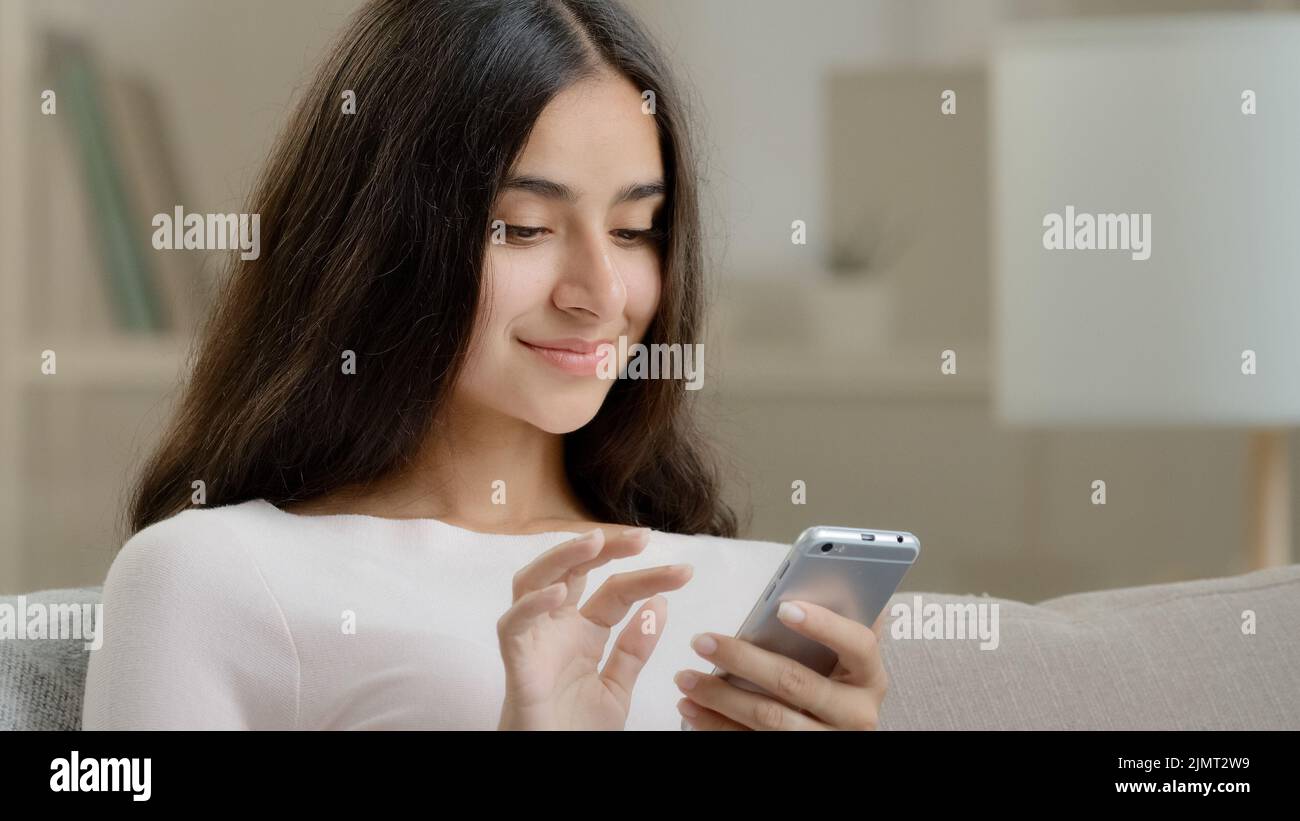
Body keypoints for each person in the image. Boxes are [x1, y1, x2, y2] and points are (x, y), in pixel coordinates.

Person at [82, 0, 888, 731]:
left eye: (635, 229)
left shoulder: (750, 600)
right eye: (528, 227)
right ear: (381, 241)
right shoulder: (208, 577)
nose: (601, 293)